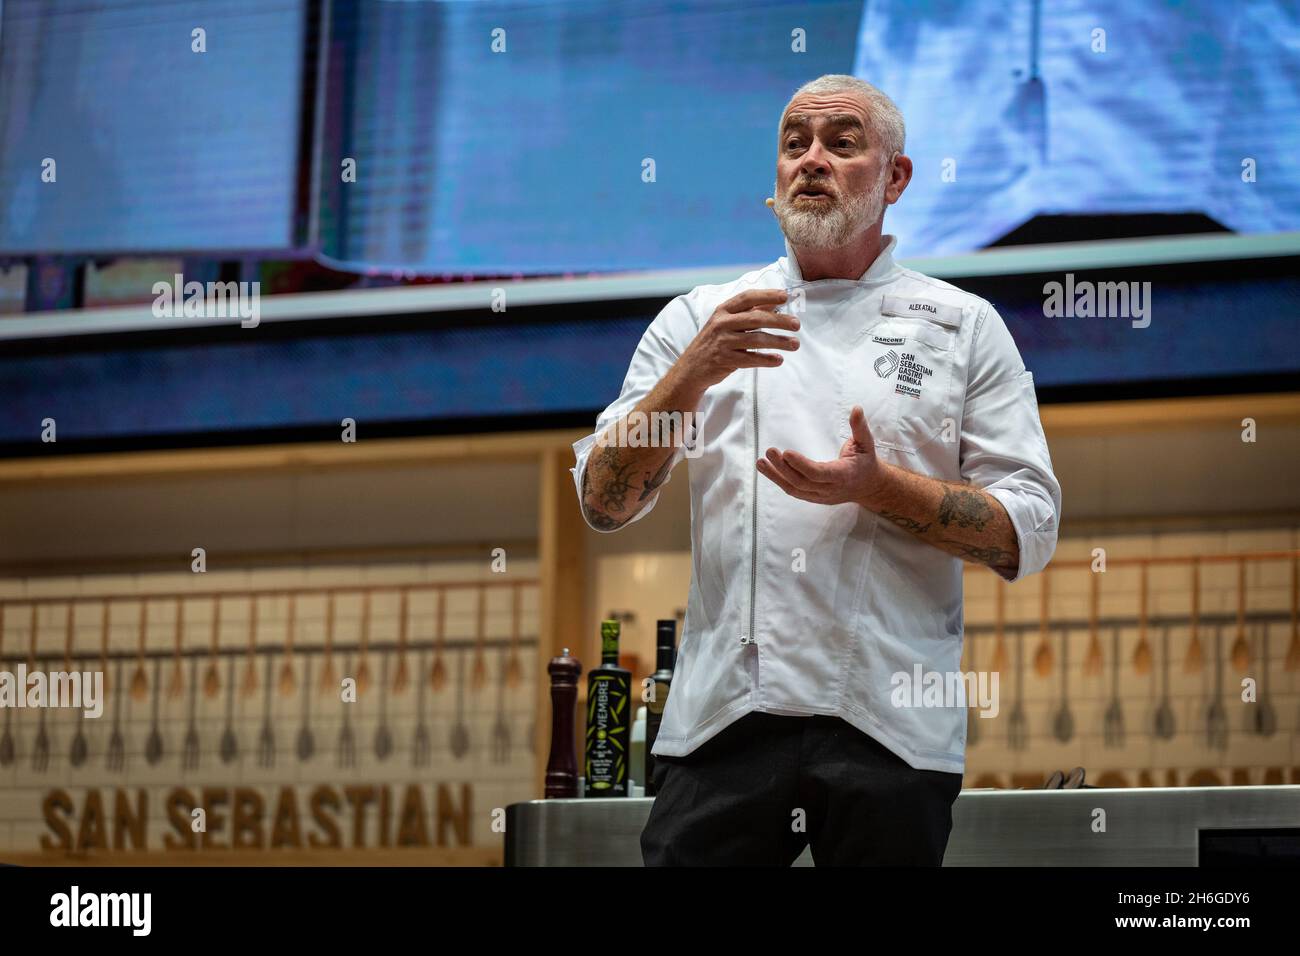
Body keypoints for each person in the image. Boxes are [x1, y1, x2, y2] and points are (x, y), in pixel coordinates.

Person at [570, 74, 1061, 866]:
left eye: (842, 142)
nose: (811, 160)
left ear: (896, 177)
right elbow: (601, 501)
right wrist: (691, 374)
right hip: (722, 723)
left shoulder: (964, 326)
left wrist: (879, 488)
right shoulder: (701, 321)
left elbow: (1027, 530)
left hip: (891, 727)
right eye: (794, 143)